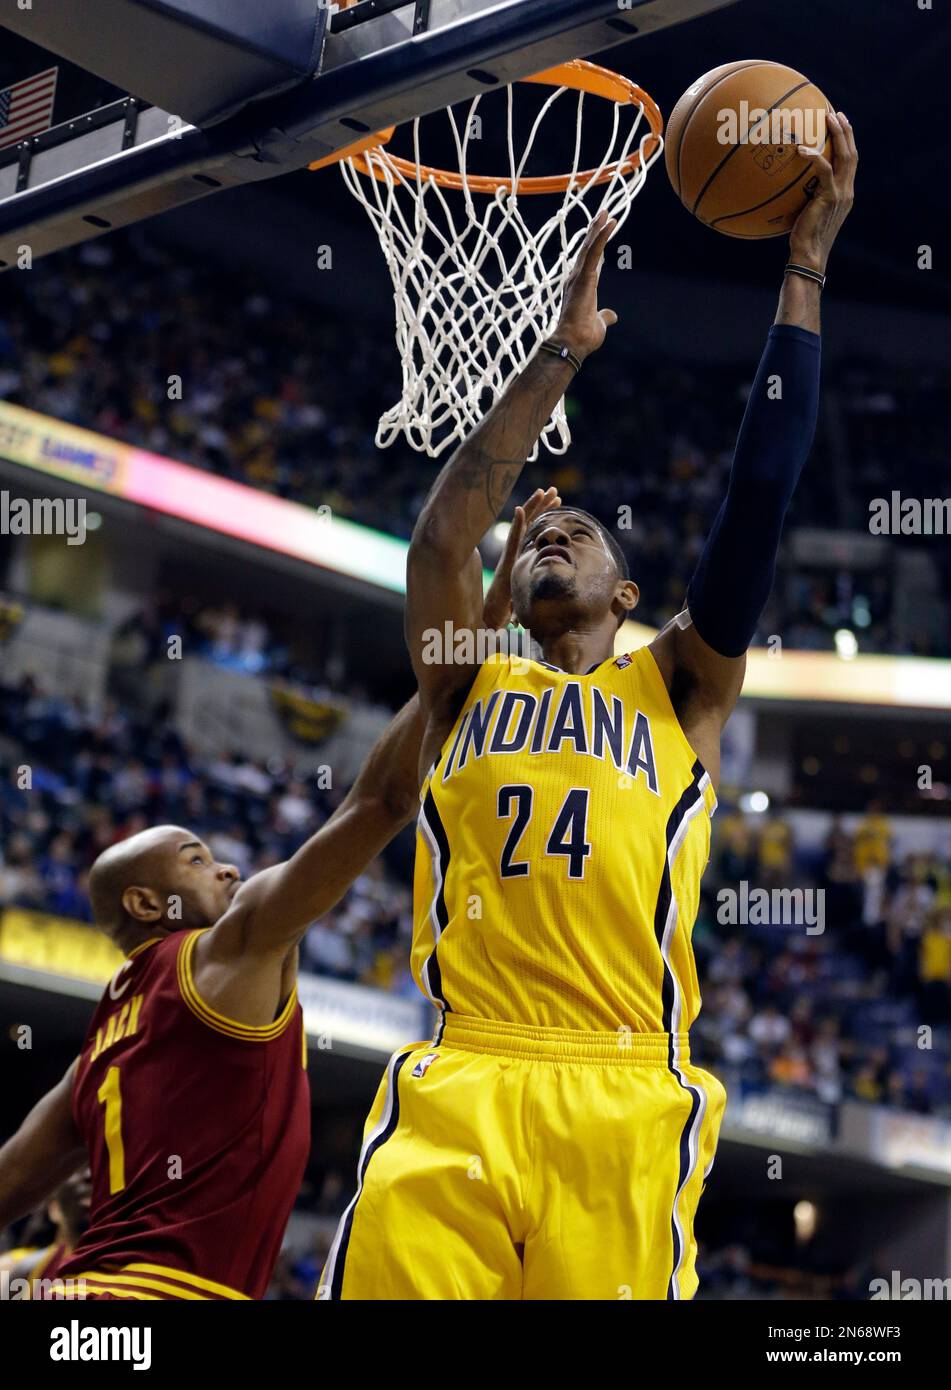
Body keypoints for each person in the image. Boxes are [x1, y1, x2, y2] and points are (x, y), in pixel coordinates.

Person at [323, 114, 858, 1300]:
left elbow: (758, 497)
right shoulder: (467, 675)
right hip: (461, 1076)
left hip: (620, 1089)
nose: (551, 530)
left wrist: (805, 262)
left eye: (582, 531)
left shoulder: (679, 682)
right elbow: (443, 534)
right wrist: (559, 354)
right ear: (513, 589)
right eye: (537, 536)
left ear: (628, 592)